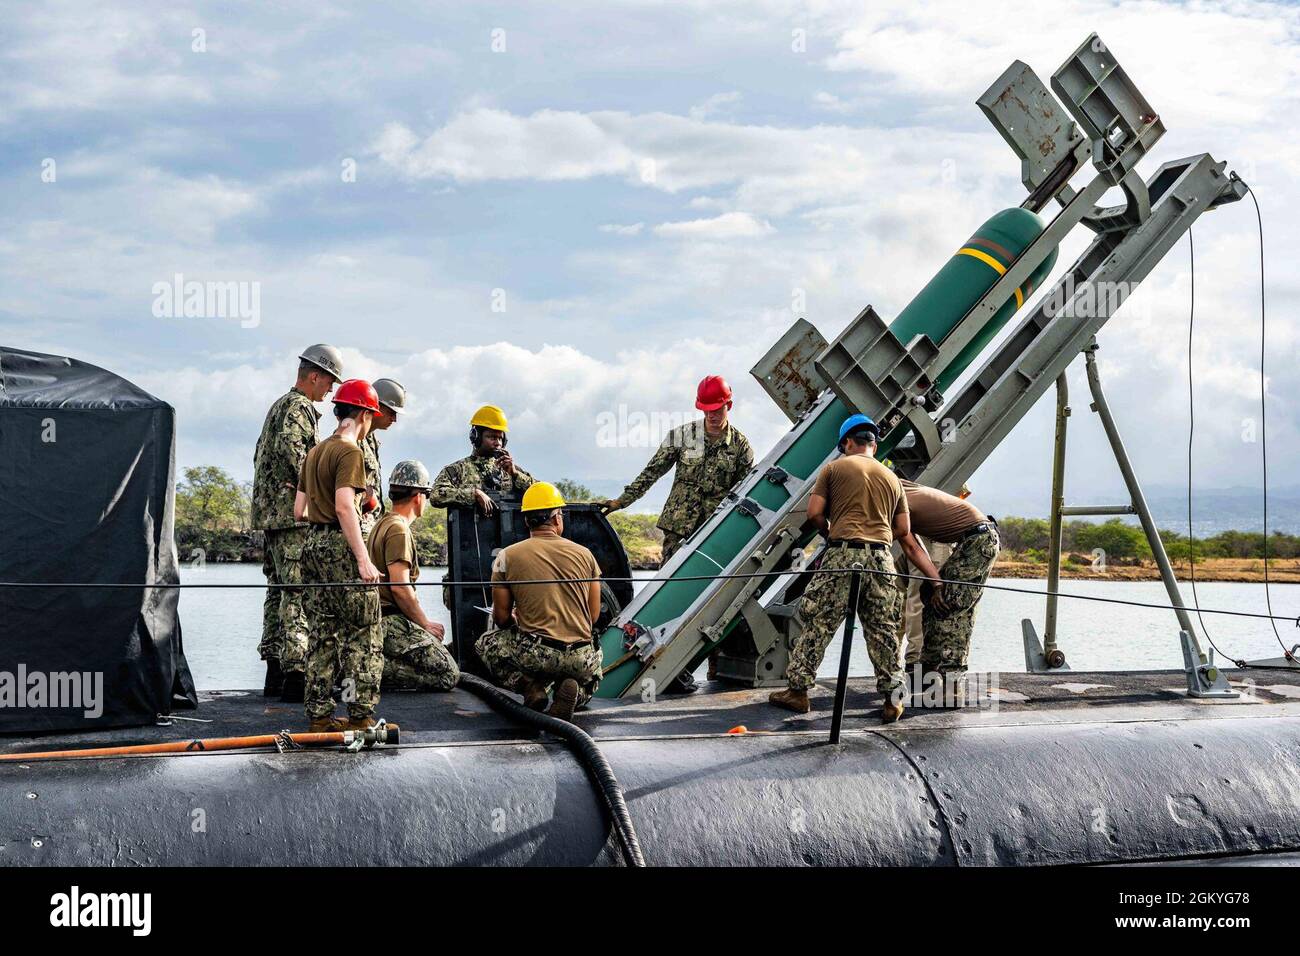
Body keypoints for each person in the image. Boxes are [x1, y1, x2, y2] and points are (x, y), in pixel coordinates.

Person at [769, 414, 941, 722]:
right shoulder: (892, 479)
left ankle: (797, 692)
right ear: (874, 444)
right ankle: (892, 699)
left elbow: (814, 514)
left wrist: (831, 532)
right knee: (884, 630)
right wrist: (935, 579)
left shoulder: (834, 469)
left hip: (842, 555)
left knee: (820, 623)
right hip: (881, 560)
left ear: (848, 442)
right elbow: (903, 532)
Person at [250, 343, 343, 702]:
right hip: (293, 518)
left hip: (274, 517)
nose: (331, 390)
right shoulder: (299, 408)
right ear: (314, 376)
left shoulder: (278, 406)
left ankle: (274, 671)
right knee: (297, 593)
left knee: (277, 592)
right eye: (329, 381)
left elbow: (263, 455)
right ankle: (296, 672)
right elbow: (297, 454)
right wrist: (314, 487)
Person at [294, 379, 385, 732]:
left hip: (312, 546)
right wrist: (363, 559)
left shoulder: (315, 452)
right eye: (372, 419)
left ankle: (319, 716)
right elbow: (345, 507)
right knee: (364, 632)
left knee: (322, 632)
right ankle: (360, 716)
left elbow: (299, 510)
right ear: (363, 413)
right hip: (340, 546)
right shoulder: (350, 452)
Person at [475, 482, 603, 721]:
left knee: (485, 643)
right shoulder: (586, 555)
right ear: (557, 519)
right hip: (580, 656)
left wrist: (517, 617)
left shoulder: (507, 556)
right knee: (590, 673)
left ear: (526, 521)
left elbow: (501, 619)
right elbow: (593, 616)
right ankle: (577, 692)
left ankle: (530, 687)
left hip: (538, 654)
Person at [601, 375, 754, 564]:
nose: (710, 415)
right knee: (668, 580)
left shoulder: (741, 447)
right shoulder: (682, 436)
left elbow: (743, 492)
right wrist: (621, 502)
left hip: (714, 530)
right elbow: (652, 472)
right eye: (705, 410)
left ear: (728, 406)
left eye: (715, 409)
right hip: (679, 526)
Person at [901, 479, 999, 701]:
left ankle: (953, 685)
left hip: (979, 540)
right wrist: (933, 584)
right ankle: (930, 671)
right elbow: (915, 545)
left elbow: (912, 547)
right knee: (929, 598)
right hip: (969, 540)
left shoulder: (891, 497)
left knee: (949, 608)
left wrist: (938, 584)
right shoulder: (895, 488)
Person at [367, 459, 460, 692]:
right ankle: (369, 669)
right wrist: (425, 623)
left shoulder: (382, 524)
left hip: (379, 619)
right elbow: (400, 587)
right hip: (390, 622)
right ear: (419, 496)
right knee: (448, 674)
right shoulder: (398, 529)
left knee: (443, 653)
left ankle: (367, 664)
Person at [431, 405, 535, 514]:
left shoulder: (511, 470)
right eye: (492, 437)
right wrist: (474, 494)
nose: (498, 443)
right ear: (476, 437)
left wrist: (515, 474)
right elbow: (436, 495)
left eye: (500, 438)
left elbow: (542, 492)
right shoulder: (457, 470)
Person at [359, 378, 406, 538]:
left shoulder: (370, 440)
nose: (394, 419)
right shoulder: (351, 438)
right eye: (391, 412)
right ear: (377, 406)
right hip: (357, 528)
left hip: (371, 526)